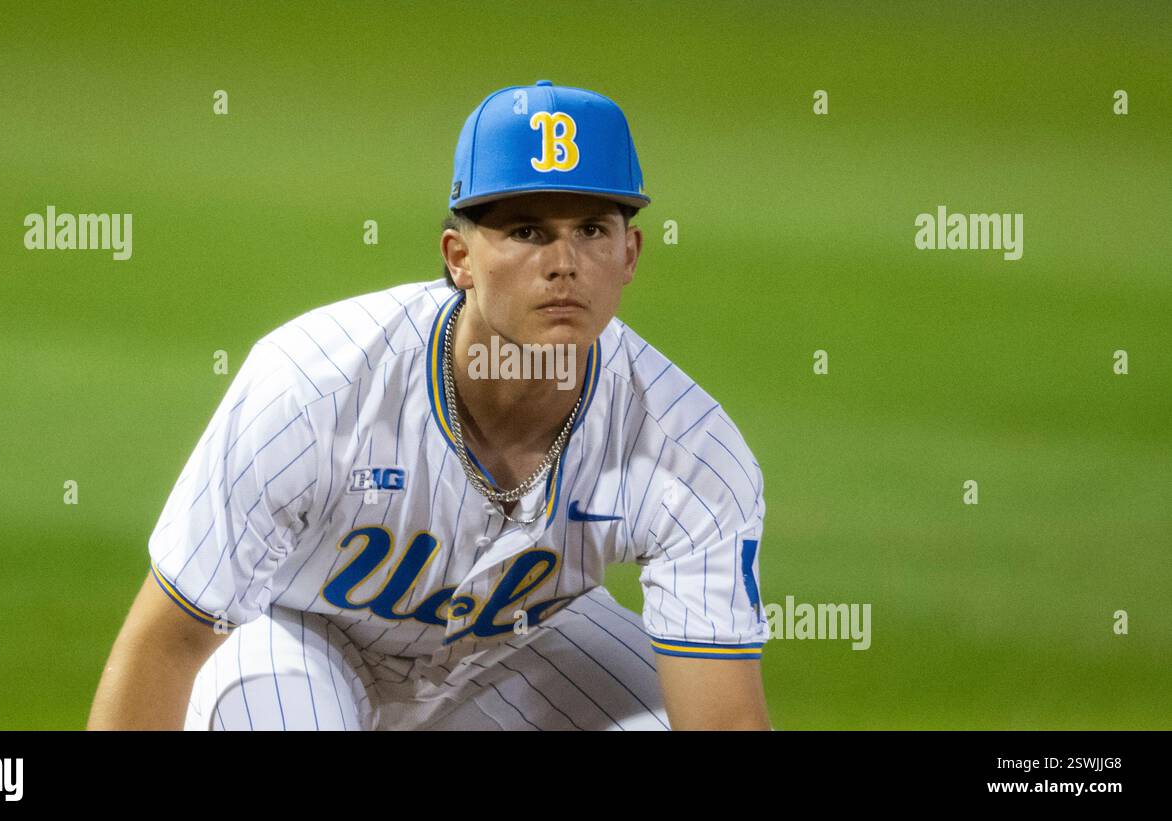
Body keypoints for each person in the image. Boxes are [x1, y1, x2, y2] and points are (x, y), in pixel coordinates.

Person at [88, 80, 771, 730]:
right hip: (299, 638)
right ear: (458, 258)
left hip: (518, 646)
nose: (564, 262)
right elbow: (166, 641)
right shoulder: (314, 384)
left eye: (592, 229)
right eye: (527, 230)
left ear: (630, 254)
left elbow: (725, 718)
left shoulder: (692, 449)